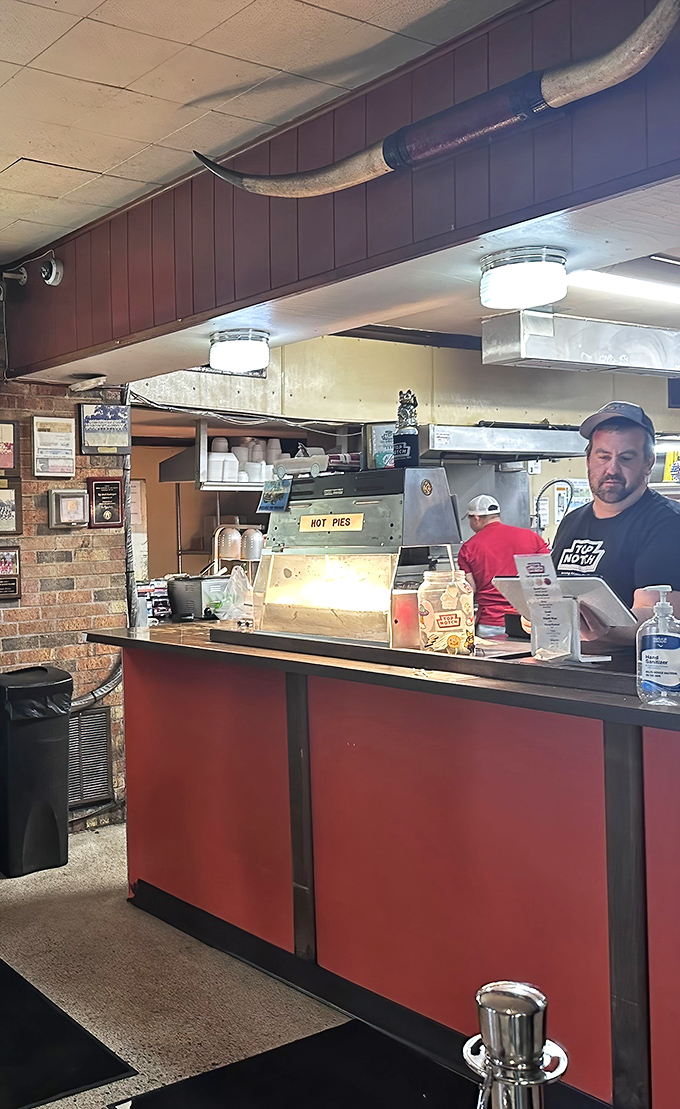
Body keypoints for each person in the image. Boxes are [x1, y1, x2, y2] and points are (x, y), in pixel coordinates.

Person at [551, 401, 680, 643]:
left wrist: (604, 626)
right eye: (603, 457)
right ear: (588, 460)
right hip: (568, 661)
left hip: (634, 666)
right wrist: (539, 614)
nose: (612, 469)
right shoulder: (572, 522)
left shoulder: (668, 524)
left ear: (648, 463)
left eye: (626, 458)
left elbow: (658, 615)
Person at [458, 494, 550, 637]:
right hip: (529, 622)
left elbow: (470, 590)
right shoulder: (532, 537)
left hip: (491, 623)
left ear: (476, 518)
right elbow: (548, 578)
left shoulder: (468, 548)